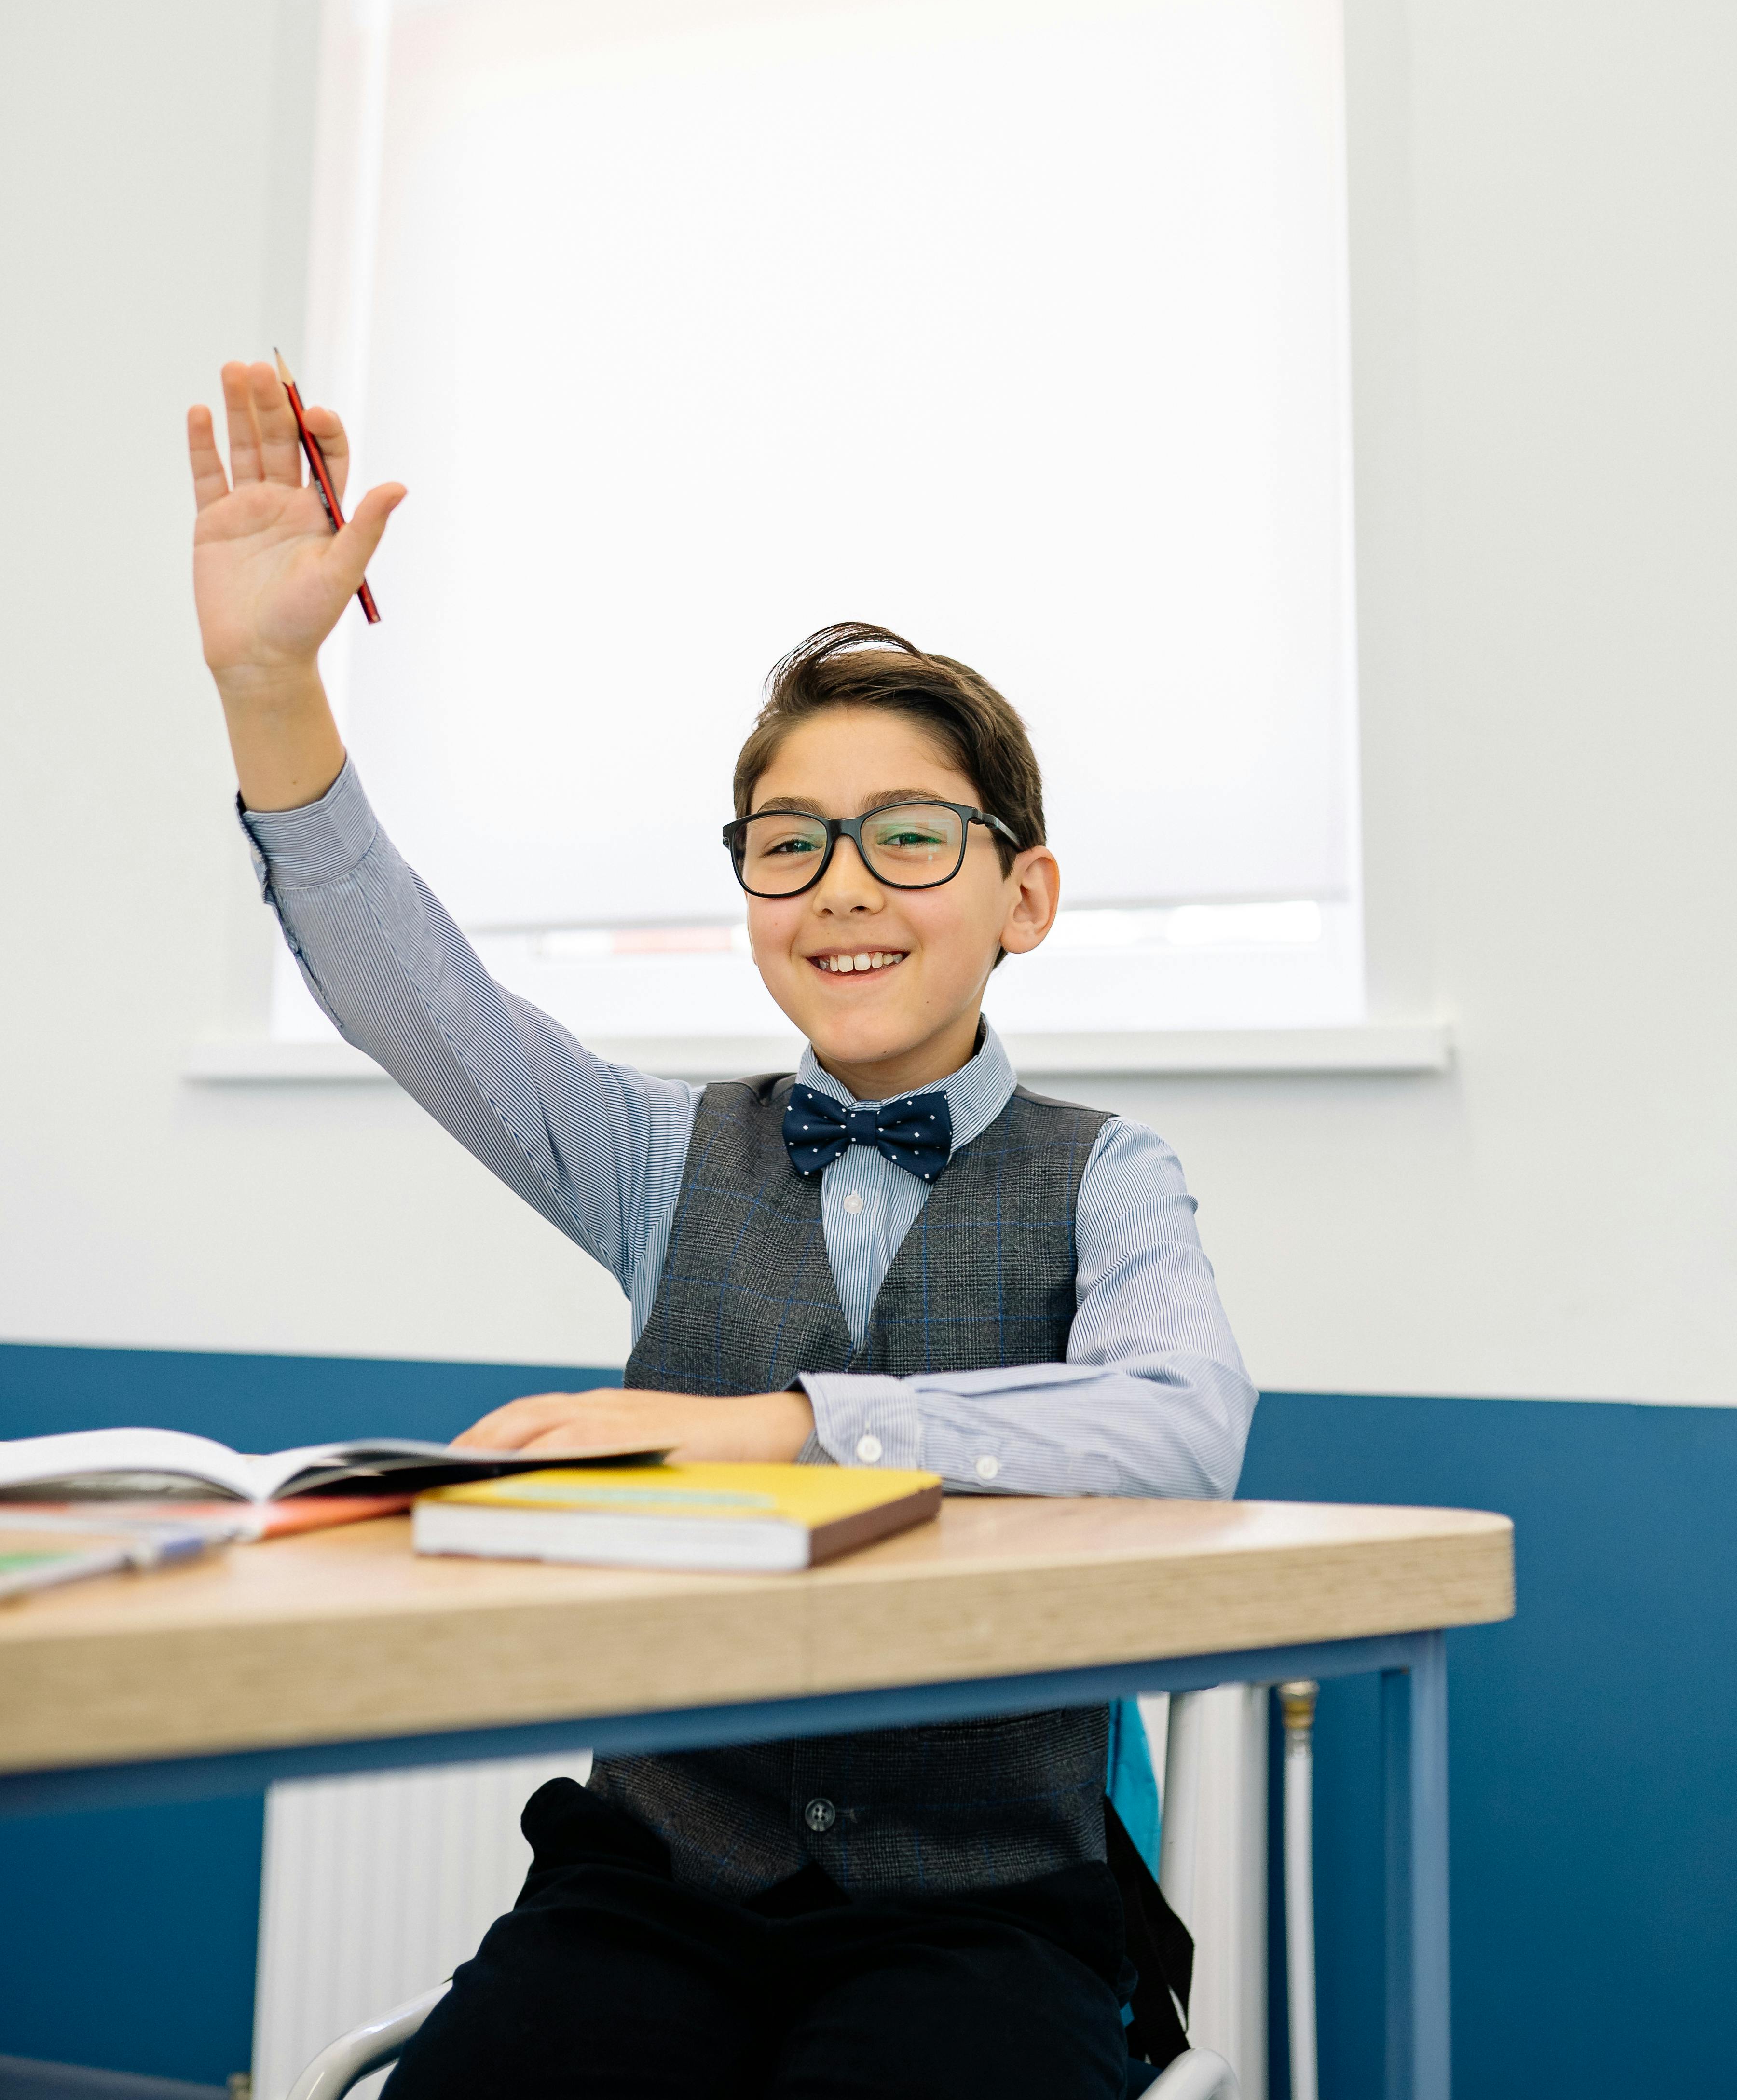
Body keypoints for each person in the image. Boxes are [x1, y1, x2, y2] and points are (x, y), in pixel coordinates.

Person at [186, 358, 1257, 2100]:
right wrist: (268, 684)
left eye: (911, 837)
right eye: (790, 842)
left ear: (1026, 897)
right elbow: (409, 989)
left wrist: (780, 1429)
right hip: (654, 1889)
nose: (843, 881)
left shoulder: (1109, 1171)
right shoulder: (661, 1150)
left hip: (986, 1913)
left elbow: (1182, 1425)